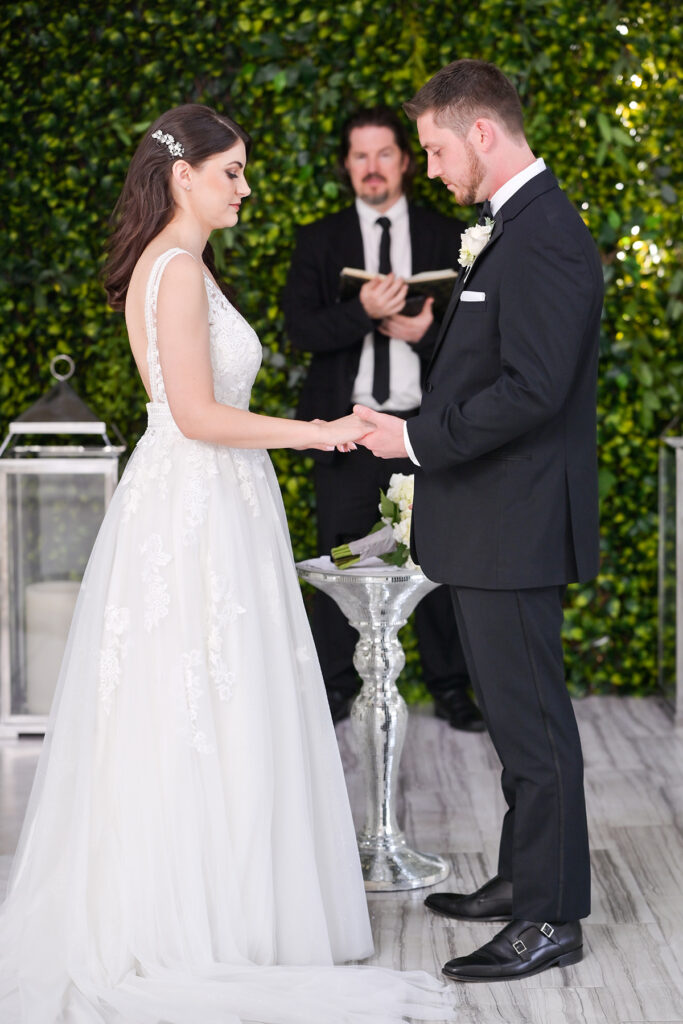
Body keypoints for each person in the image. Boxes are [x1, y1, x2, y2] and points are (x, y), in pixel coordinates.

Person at [0, 104, 454, 1023]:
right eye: (234, 172)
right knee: (197, 700)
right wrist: (322, 432)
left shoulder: (187, 269)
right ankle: (199, 917)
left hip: (219, 505)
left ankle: (241, 908)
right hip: (193, 511)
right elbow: (196, 418)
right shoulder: (171, 272)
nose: (246, 188)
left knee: (226, 700)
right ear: (184, 177)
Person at [356, 60, 602, 982]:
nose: (428, 166)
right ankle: (524, 877)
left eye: (434, 148)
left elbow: (533, 389)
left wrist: (418, 442)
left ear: (483, 134)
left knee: (533, 729)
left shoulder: (542, 236)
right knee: (512, 720)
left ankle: (547, 920)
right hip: (493, 519)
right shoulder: (517, 229)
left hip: (515, 523)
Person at [283, 106, 484, 732]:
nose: (372, 168)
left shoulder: (445, 234)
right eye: (360, 156)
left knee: (439, 563)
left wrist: (426, 333)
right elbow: (298, 330)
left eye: (385, 154)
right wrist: (363, 312)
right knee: (342, 561)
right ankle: (337, 687)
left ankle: (452, 690)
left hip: (426, 431)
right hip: (346, 433)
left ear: (405, 160)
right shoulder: (319, 239)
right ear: (347, 164)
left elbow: (478, 344)